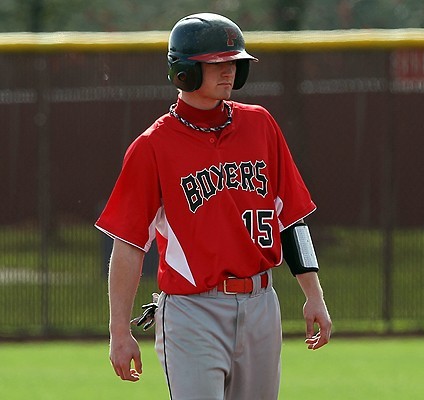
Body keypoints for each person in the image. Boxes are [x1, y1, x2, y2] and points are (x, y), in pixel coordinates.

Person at [96, 13, 332, 400]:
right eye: (216, 62)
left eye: (234, 62)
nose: (229, 70)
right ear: (184, 71)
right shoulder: (153, 146)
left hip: (261, 305)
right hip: (193, 312)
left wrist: (314, 294)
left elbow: (291, 218)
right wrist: (119, 331)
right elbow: (129, 244)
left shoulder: (260, 125)